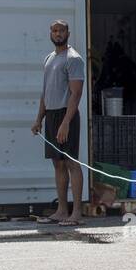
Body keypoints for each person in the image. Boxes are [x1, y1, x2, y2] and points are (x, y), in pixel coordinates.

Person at [32, 20, 86, 226]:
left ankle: (76, 214)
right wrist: (39, 119)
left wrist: (66, 122)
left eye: (61, 30)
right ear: (50, 33)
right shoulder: (49, 58)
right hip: (52, 115)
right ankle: (62, 210)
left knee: (72, 162)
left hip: (66, 115)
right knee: (57, 163)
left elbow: (76, 93)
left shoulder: (74, 59)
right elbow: (45, 93)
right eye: (54, 31)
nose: (58, 34)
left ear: (68, 33)